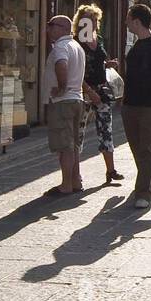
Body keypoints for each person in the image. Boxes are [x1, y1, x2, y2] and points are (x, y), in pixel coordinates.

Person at [122, 4, 151, 209]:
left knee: (147, 149)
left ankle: (142, 193)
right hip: (129, 103)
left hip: (149, 105)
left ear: (137, 21)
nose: (126, 22)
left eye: (128, 18)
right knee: (136, 148)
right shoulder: (134, 45)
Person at [75, 4, 122, 186]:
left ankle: (110, 170)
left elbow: (98, 63)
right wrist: (89, 91)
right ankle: (76, 175)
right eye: (88, 18)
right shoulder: (77, 42)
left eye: (94, 19)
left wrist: (107, 64)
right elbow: (77, 71)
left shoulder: (98, 39)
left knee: (106, 129)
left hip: (101, 90)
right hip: (85, 90)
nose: (92, 22)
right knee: (78, 132)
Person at [44, 14, 86, 195]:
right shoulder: (77, 46)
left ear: (61, 28)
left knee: (65, 145)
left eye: (51, 25)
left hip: (63, 101)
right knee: (74, 143)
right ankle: (75, 180)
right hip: (77, 99)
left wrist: (61, 87)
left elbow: (62, 65)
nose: (48, 28)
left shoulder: (61, 46)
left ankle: (66, 184)